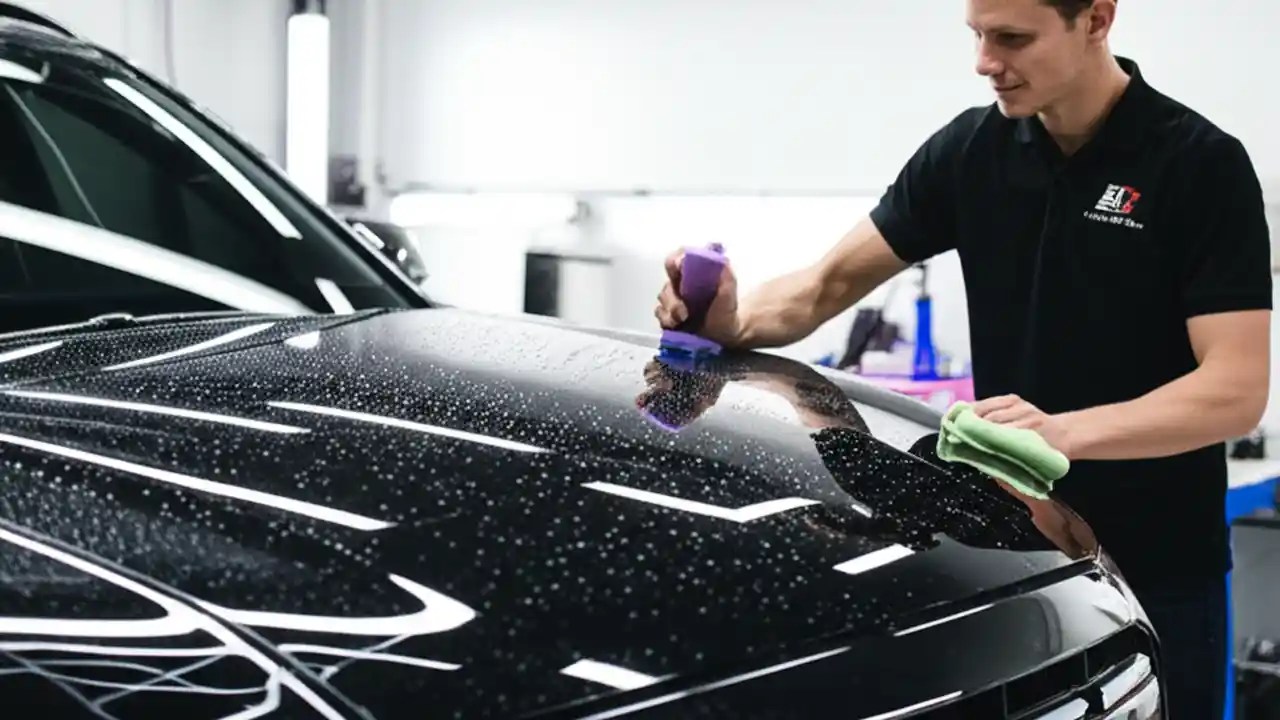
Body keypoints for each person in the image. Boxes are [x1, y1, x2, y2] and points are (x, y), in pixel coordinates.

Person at [653, 0, 1272, 716]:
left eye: (1012, 38)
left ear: (1097, 20)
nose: (985, 62)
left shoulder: (1198, 164)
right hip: (1014, 556)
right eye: (977, 35)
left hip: (1159, 566)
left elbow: (1234, 389)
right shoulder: (970, 152)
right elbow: (821, 288)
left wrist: (1061, 433)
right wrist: (735, 318)